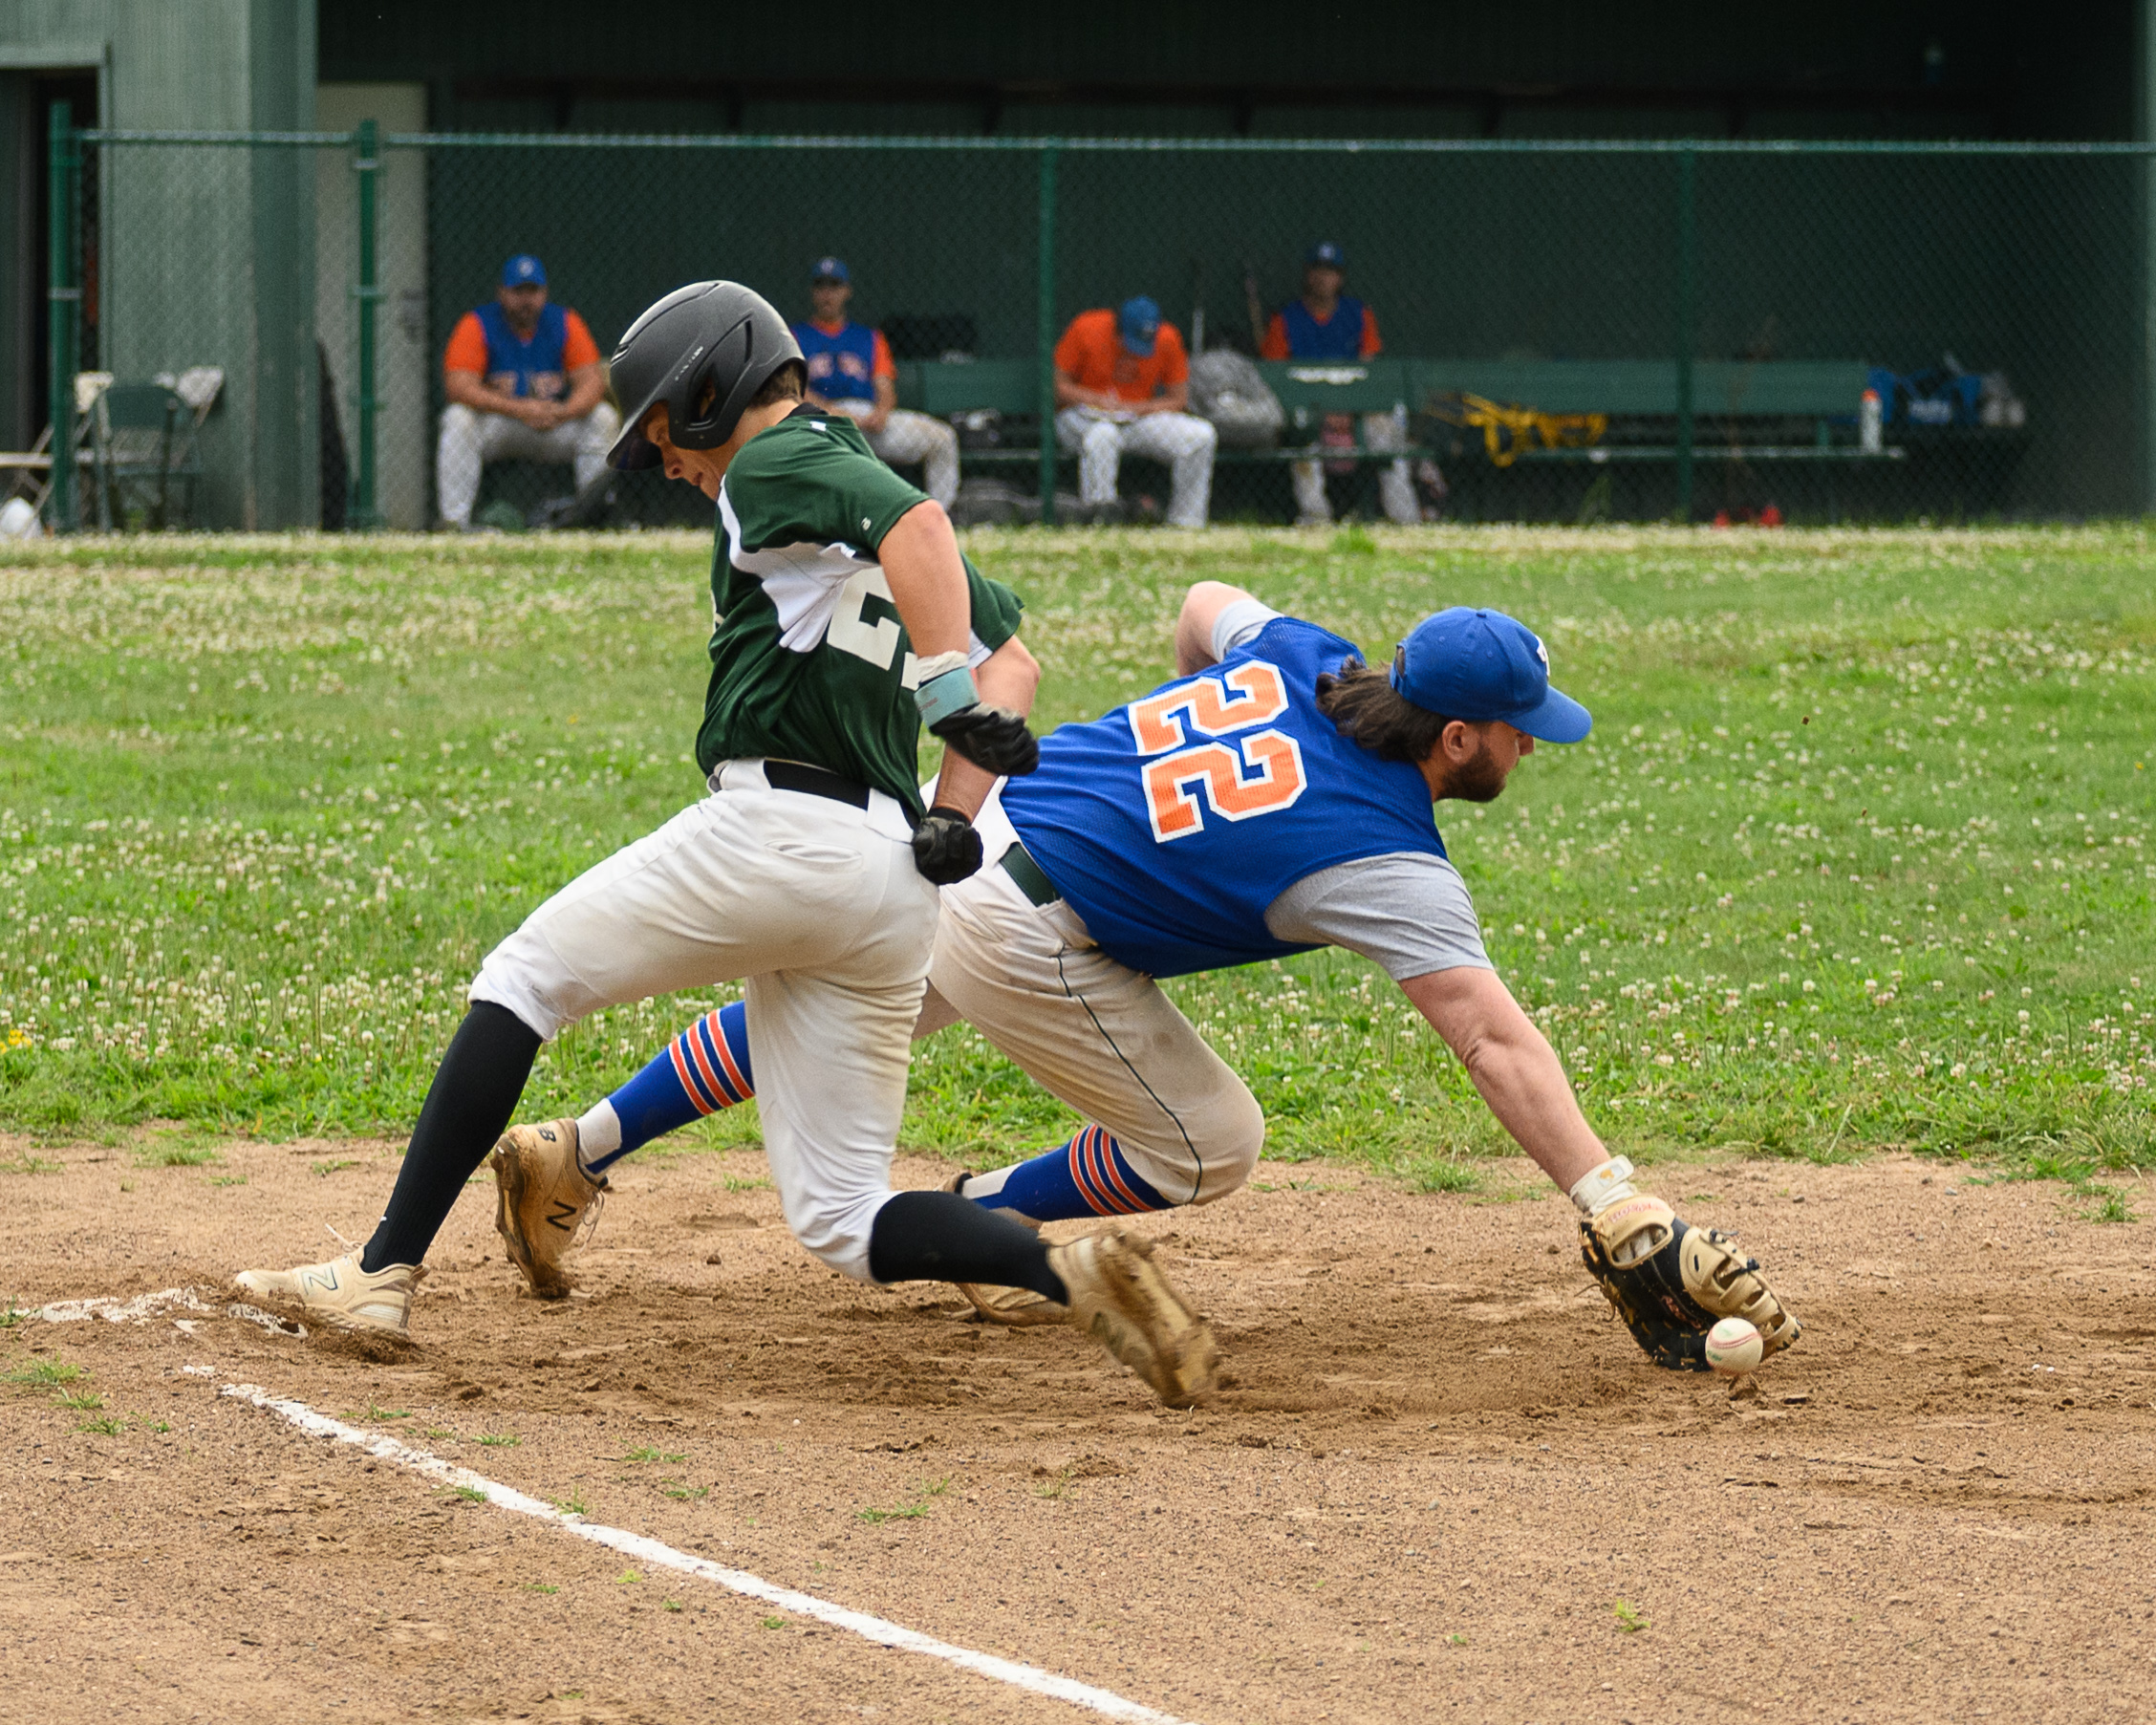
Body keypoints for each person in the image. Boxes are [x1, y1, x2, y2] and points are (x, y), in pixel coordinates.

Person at [238, 280, 1218, 1411]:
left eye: (663, 428)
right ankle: (1059, 1262)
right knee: (847, 1218)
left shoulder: (775, 461)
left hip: (777, 830)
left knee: (521, 978)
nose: (663, 460)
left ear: (713, 390)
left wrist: (944, 696)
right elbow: (1018, 663)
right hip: (889, 876)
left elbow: (926, 536)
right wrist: (954, 805)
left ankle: (377, 1270)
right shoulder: (841, 481)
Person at [501, 584, 1800, 1374]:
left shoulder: (1312, 659)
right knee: (1214, 1143)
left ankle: (584, 1146)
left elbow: (1201, 601)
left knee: (842, 1001)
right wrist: (1611, 1195)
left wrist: (1194, 750)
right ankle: (981, 1218)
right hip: (1035, 925)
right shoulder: (1390, 860)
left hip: (983, 820)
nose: (1533, 742)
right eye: (1522, 728)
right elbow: (1491, 1040)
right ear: (1457, 737)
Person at [436, 254, 621, 530]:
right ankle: (454, 523)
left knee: (603, 417)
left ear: (544, 293)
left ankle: (593, 520)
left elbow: (592, 382)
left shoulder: (563, 321)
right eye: (518, 291)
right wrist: (520, 409)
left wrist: (563, 411)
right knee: (457, 418)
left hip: (554, 423)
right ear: (502, 292)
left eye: (533, 291)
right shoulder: (478, 323)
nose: (526, 300)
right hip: (501, 424)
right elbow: (458, 385)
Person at [1259, 243, 1417, 527]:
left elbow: (1368, 372)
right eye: (1317, 270)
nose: (1323, 277)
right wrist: (1323, 412)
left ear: (1340, 278)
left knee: (1386, 432)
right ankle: (1315, 517)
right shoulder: (1286, 319)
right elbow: (1277, 380)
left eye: (1331, 271)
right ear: (1307, 275)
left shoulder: (1357, 314)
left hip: (1354, 409)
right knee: (1301, 434)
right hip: (1308, 411)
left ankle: (1404, 518)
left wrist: (1349, 410)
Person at [792, 257, 960, 509]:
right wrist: (835, 413)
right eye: (821, 286)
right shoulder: (795, 336)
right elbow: (795, 391)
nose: (828, 293)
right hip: (823, 422)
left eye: (835, 286)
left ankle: (941, 517)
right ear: (812, 292)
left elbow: (885, 388)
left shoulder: (869, 338)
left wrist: (880, 413)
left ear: (847, 291)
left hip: (868, 420)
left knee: (943, 438)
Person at [1053, 297, 1217, 528]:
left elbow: (1178, 399)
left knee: (1201, 436)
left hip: (1135, 419)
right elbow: (1056, 387)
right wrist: (1096, 400)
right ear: (1117, 330)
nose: (1136, 351)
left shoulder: (1167, 338)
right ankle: (1101, 520)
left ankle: (1186, 523)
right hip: (1081, 418)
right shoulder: (1087, 327)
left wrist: (1139, 409)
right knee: (1103, 435)